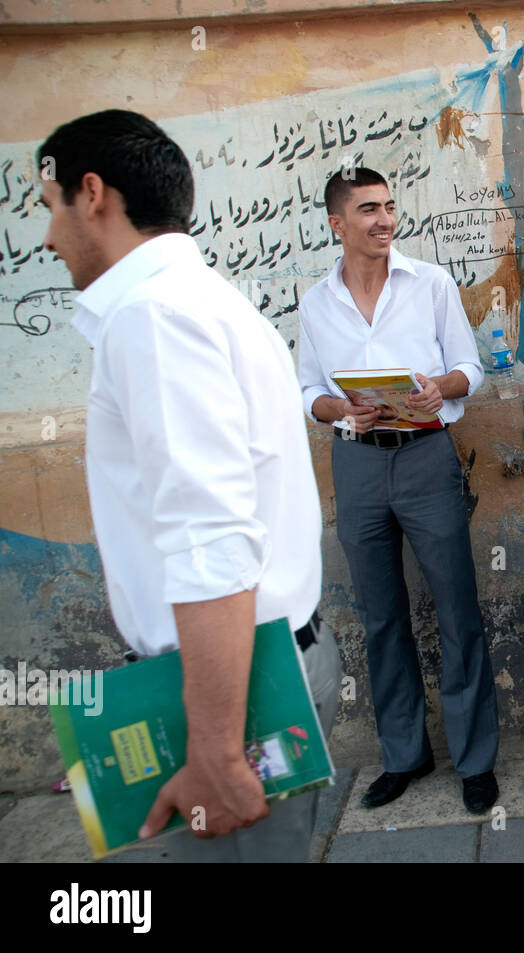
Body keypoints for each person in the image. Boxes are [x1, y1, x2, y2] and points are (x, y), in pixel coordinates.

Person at [38, 109, 339, 861]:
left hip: (235, 698)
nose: (47, 238)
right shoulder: (203, 299)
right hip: (255, 673)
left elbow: (211, 538)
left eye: (50, 209)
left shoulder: (156, 316)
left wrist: (213, 750)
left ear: (93, 193)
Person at [297, 168, 500, 814]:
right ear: (338, 224)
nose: (384, 220)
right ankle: (405, 754)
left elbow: (473, 369)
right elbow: (308, 393)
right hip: (356, 463)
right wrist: (340, 410)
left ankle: (475, 760)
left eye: (389, 207)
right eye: (368, 210)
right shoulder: (314, 302)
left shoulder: (431, 283)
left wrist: (444, 387)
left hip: (425, 458)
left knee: (455, 606)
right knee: (382, 617)